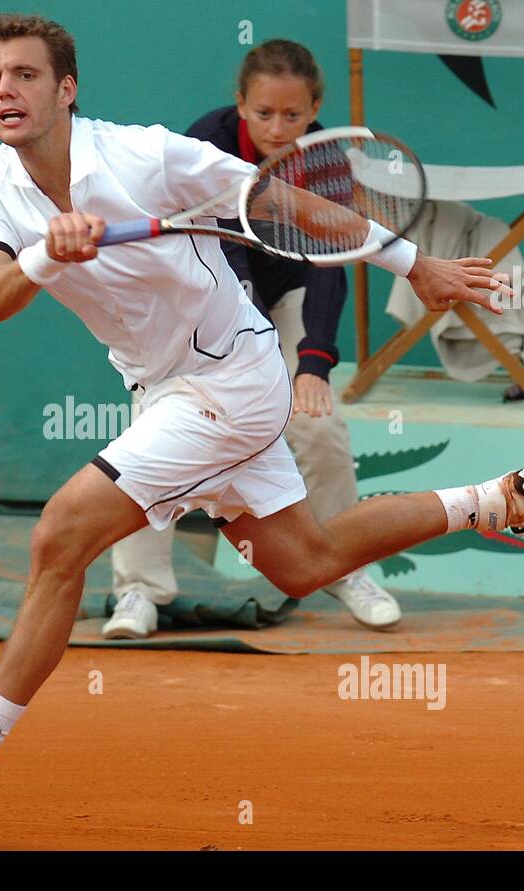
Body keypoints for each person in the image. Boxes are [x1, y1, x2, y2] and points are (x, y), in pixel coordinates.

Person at [0, 14, 524, 841]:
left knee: (60, 538)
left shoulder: (150, 156)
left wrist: (413, 262)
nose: (6, 91)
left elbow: (294, 207)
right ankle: (519, 499)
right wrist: (44, 254)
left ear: (66, 89)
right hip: (164, 386)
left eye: (26, 76)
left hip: (227, 381)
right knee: (305, 563)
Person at [103, 38, 400, 640]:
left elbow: (328, 268)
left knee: (320, 429)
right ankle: (138, 591)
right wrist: (250, 340)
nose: (278, 126)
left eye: (294, 115)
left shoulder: (324, 163)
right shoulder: (204, 145)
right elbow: (213, 259)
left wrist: (312, 365)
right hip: (194, 301)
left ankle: (346, 568)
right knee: (148, 444)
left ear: (315, 106)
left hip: (285, 296)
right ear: (240, 104)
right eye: (263, 113)